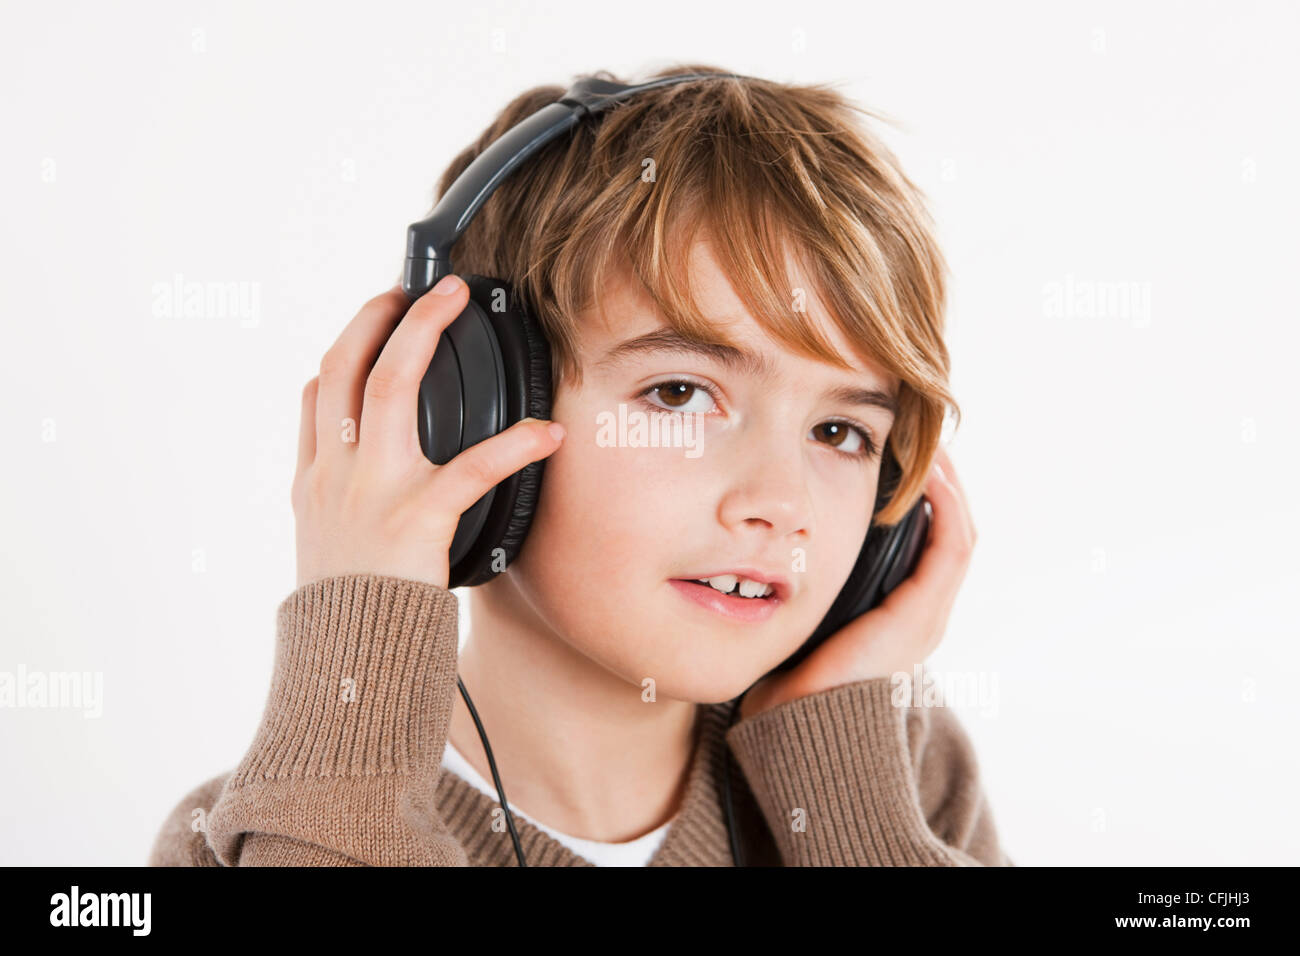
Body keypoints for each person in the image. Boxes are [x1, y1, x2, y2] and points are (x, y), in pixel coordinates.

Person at [148, 64, 1010, 867]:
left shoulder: (890, 769)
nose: (782, 507)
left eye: (839, 433)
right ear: (465, 414)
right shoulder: (287, 822)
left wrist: (836, 788)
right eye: (678, 395)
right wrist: (354, 670)